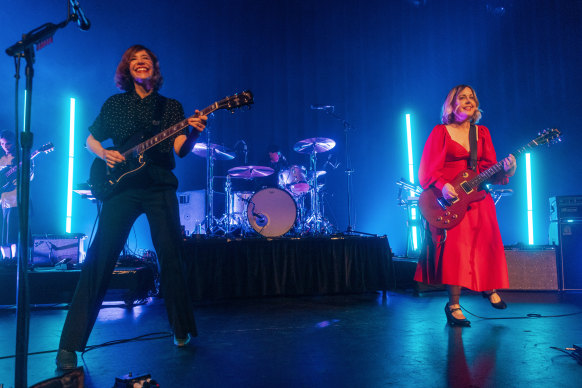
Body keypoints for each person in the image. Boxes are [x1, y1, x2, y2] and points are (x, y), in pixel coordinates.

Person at [56, 44, 208, 370]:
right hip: (121, 189)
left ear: (154, 68)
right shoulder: (115, 104)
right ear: (128, 70)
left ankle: (181, 330)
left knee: (172, 256)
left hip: (158, 187)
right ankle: (69, 345)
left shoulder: (170, 107)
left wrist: (193, 133)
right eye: (135, 60)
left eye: (147, 60)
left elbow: (180, 149)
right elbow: (91, 139)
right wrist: (104, 153)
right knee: (99, 259)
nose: (141, 63)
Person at [414, 85, 517, 327]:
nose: (469, 101)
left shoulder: (481, 133)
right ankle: (454, 305)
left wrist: (508, 169)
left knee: (485, 245)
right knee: (456, 252)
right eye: (463, 97)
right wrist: (443, 185)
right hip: (450, 198)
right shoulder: (440, 132)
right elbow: (427, 170)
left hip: (477, 197)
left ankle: (488, 287)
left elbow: (488, 169)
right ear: (452, 104)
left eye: (472, 97)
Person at [0, 130, 25, 259]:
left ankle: (14, 261)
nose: (5, 147)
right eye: (2, 144)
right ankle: (5, 261)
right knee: (3, 235)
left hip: (15, 200)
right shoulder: (2, 159)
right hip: (3, 201)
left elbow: (30, 176)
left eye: (8, 144)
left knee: (13, 234)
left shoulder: (22, 157)